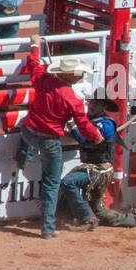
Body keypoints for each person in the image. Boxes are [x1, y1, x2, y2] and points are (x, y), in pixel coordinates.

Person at [13, 33, 104, 238]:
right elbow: (84, 125)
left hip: (29, 130)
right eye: (79, 73)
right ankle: (47, 228)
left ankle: (22, 158)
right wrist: (96, 135)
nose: (81, 76)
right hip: (49, 140)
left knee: (26, 136)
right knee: (51, 183)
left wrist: (35, 46)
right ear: (71, 75)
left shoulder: (43, 79)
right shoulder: (73, 100)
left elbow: (33, 65)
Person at [59, 91, 136, 230]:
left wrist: (73, 126)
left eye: (97, 103)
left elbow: (87, 137)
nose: (92, 105)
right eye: (92, 102)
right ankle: (133, 219)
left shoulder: (106, 124)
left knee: (68, 182)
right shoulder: (88, 121)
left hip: (100, 170)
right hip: (93, 169)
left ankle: (87, 218)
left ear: (103, 107)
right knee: (99, 211)